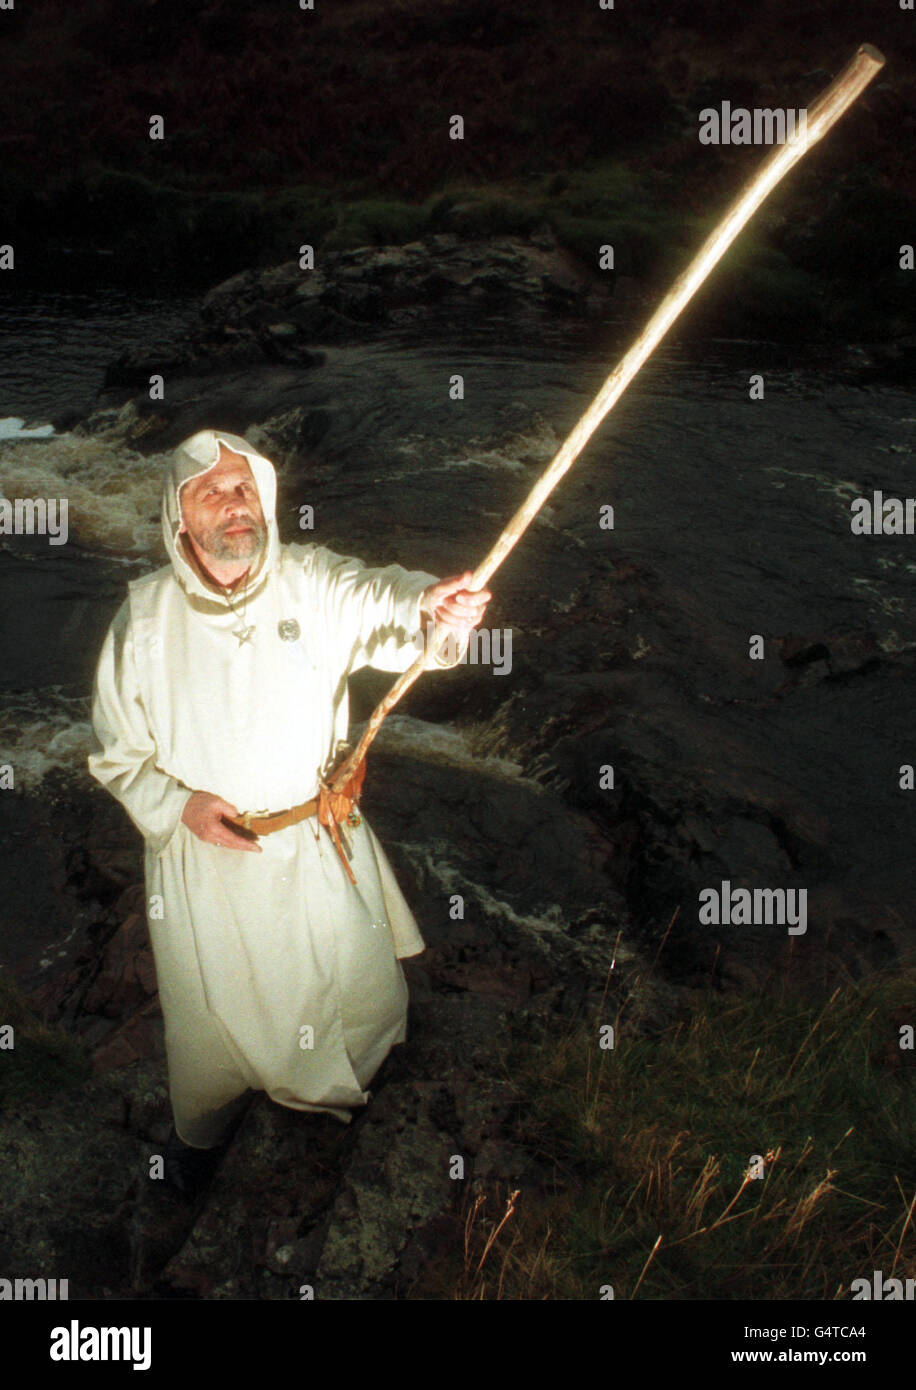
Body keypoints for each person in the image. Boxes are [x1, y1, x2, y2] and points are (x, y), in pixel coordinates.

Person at [87, 428, 491, 1198]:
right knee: (218, 1025)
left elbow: (383, 596)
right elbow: (115, 755)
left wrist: (430, 604)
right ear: (180, 521)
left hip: (315, 837)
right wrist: (180, 807)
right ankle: (203, 1137)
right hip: (209, 864)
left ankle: (358, 1081)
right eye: (212, 492)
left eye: (243, 488)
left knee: (347, 985)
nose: (233, 504)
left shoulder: (309, 581)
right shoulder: (140, 622)